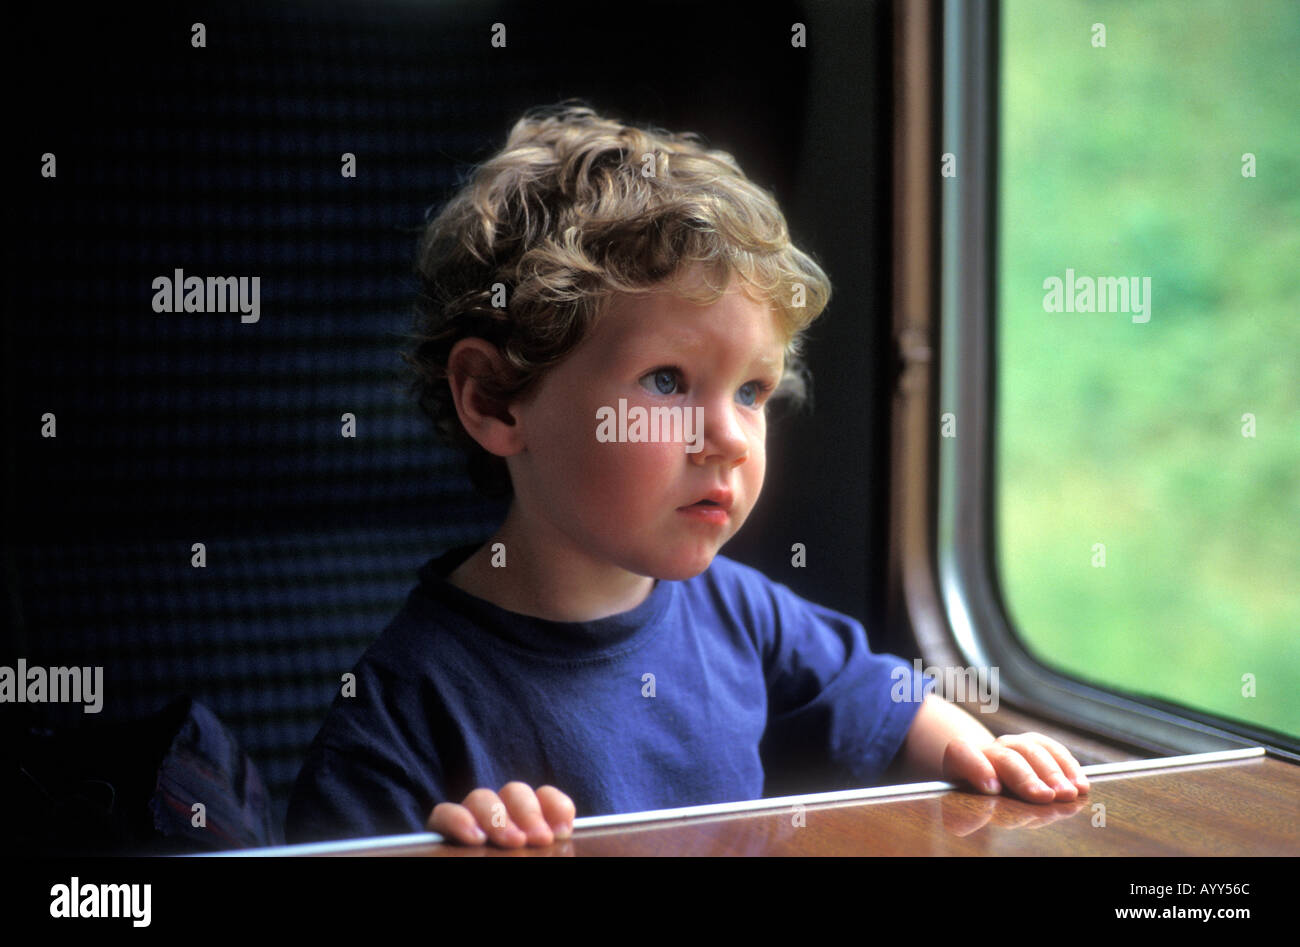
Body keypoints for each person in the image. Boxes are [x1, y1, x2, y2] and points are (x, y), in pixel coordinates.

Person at [285, 102, 1088, 848]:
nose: (730, 438)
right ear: (495, 399)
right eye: (667, 381)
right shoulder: (400, 714)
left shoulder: (740, 612)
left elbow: (877, 697)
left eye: (752, 391)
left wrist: (974, 750)